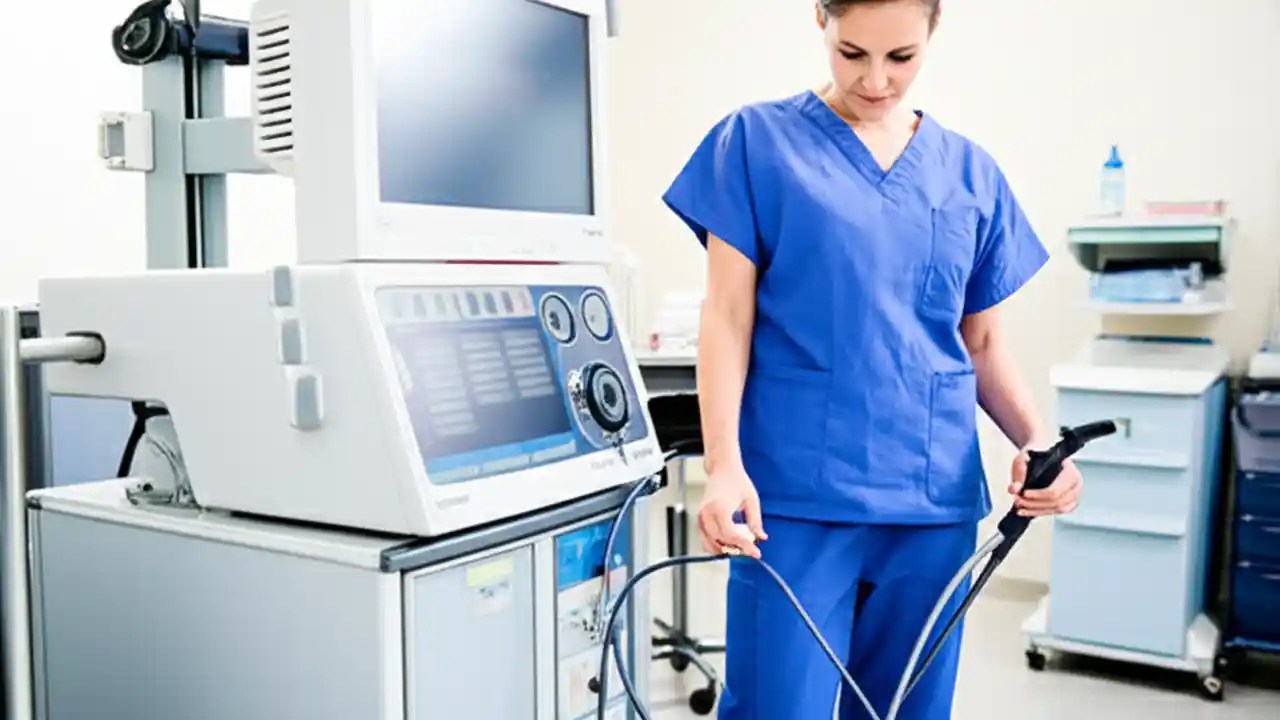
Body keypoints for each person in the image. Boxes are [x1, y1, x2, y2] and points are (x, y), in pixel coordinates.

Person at [660, 1, 1084, 718]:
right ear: (819, 17)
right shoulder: (756, 145)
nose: (877, 80)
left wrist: (1039, 444)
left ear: (933, 34)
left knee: (907, 709)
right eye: (852, 53)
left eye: (901, 58)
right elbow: (727, 320)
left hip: (930, 500)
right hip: (792, 502)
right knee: (776, 707)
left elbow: (979, 343)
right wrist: (723, 466)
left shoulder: (970, 174)